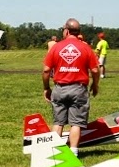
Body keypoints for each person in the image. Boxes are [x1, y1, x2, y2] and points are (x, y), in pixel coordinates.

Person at [41, 18, 100, 153]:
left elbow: (45, 70)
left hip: (59, 88)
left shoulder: (56, 47)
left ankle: (53, 153)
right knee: (76, 123)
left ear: (66, 31)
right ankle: (73, 153)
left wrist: (46, 88)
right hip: (79, 89)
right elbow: (95, 70)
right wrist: (95, 85)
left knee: (58, 122)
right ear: (78, 31)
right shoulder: (85, 47)